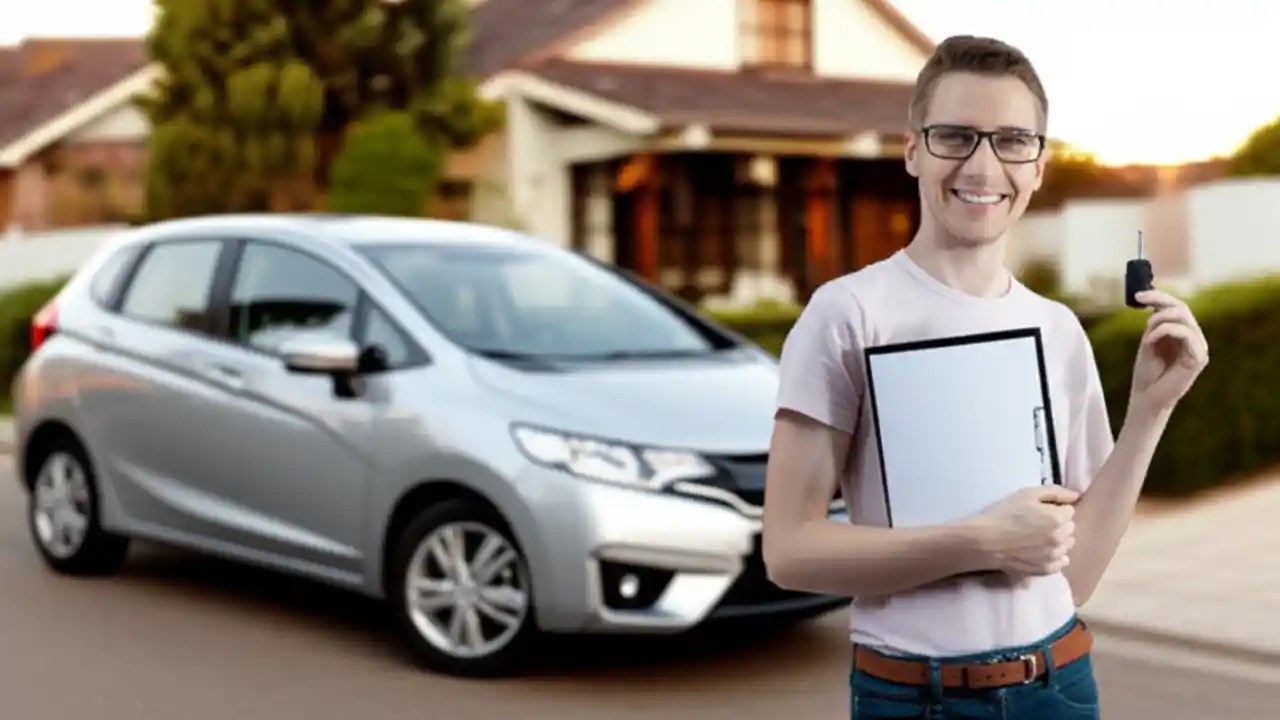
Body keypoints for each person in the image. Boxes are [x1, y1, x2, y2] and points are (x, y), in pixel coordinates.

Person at [761, 34, 1210, 719]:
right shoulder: (848, 315)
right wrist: (978, 542)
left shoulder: (1057, 330)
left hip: (1058, 684)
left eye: (1010, 141)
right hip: (915, 696)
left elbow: (1077, 571)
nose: (982, 164)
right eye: (956, 137)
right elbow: (790, 552)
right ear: (912, 150)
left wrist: (1151, 410)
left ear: (1037, 166)